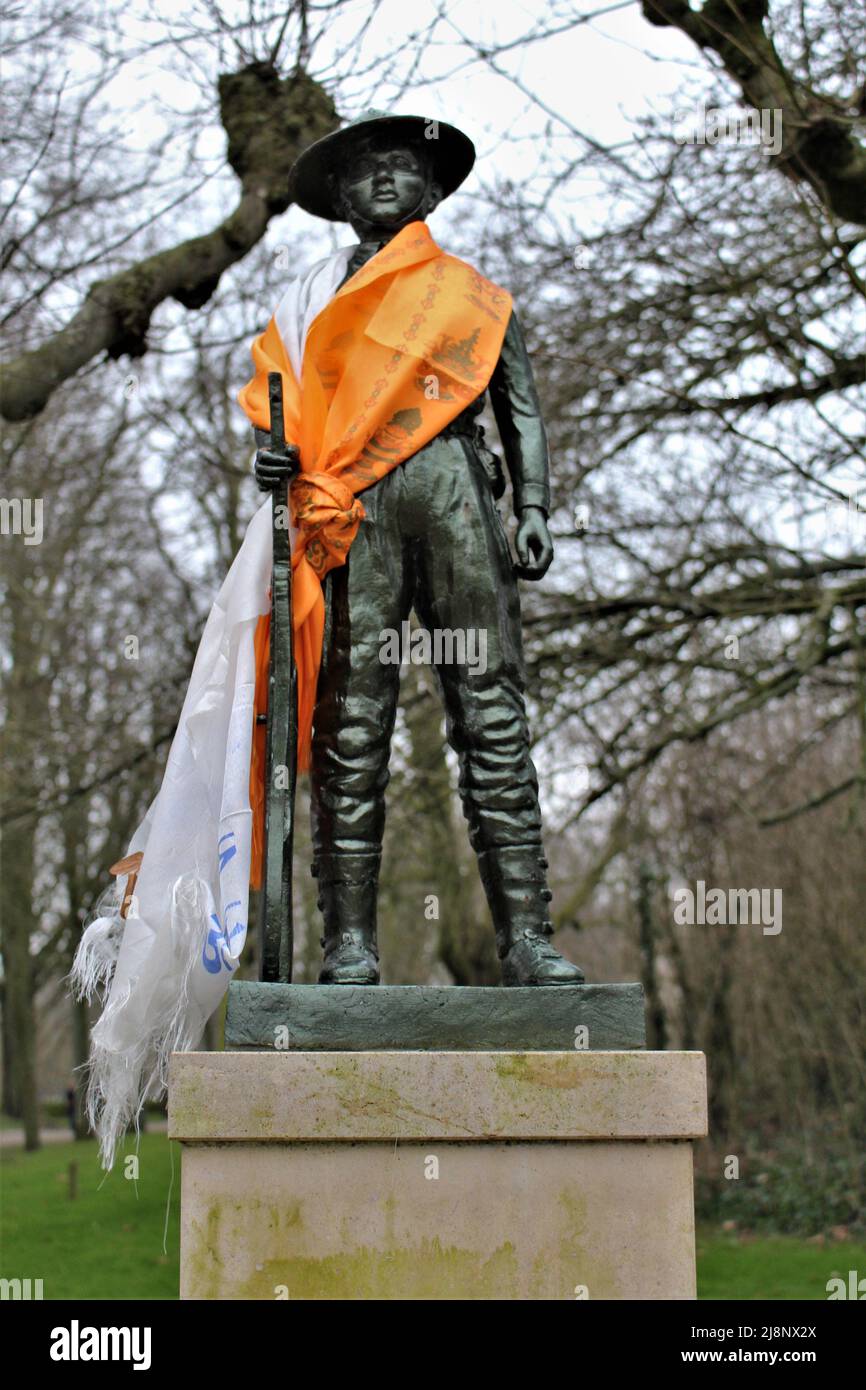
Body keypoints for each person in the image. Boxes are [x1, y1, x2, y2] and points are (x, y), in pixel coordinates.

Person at [239, 111, 584, 987]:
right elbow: (293, 419)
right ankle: (348, 946)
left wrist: (533, 503)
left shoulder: (473, 296)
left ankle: (527, 939)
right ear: (340, 201)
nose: (385, 180)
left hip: (458, 490)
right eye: (365, 172)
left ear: (431, 190)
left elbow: (523, 412)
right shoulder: (313, 309)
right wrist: (275, 462)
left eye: (401, 168)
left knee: (492, 715)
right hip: (355, 505)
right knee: (352, 723)